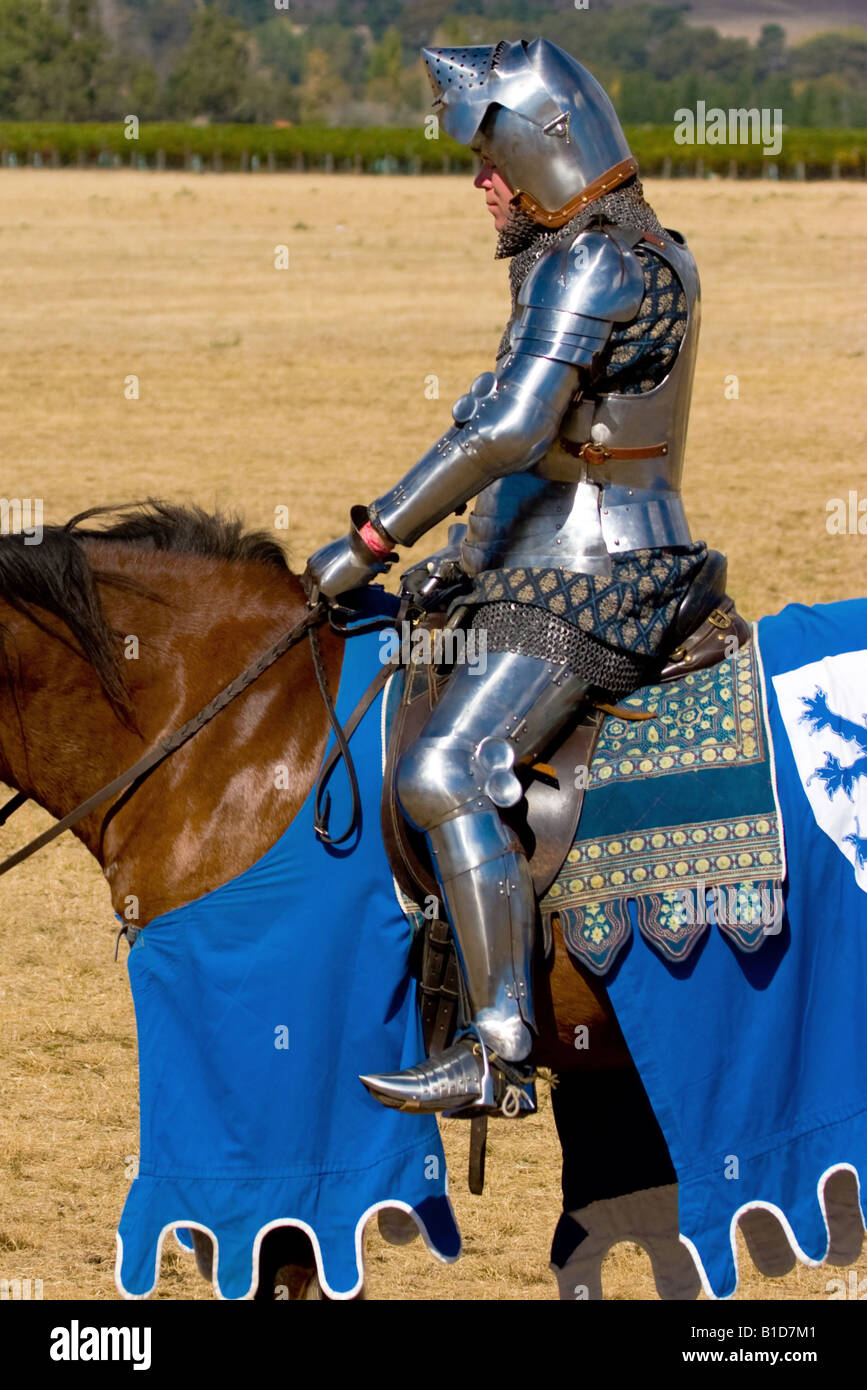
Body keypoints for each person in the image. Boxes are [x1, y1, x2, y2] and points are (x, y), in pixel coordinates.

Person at [305, 38, 709, 1117]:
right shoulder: (594, 252)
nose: (479, 181)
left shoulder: (600, 263)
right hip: (534, 558)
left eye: (489, 157)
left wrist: (371, 541)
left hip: (599, 577)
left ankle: (495, 1047)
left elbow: (509, 433)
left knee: (441, 770)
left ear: (546, 146)